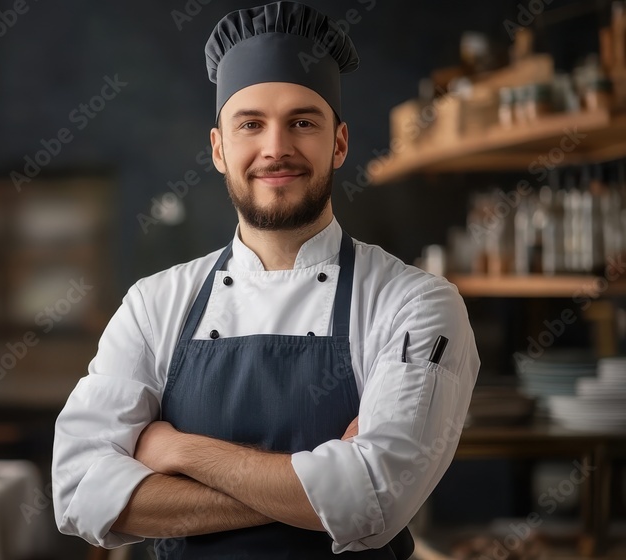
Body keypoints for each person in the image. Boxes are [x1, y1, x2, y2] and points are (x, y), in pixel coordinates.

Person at [52, 2, 480, 558]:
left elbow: (374, 501)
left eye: (302, 122)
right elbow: (78, 492)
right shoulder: (153, 304)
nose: (275, 148)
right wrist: (321, 488)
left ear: (340, 143)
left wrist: (179, 452)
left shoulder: (414, 303)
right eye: (250, 124)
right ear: (219, 149)